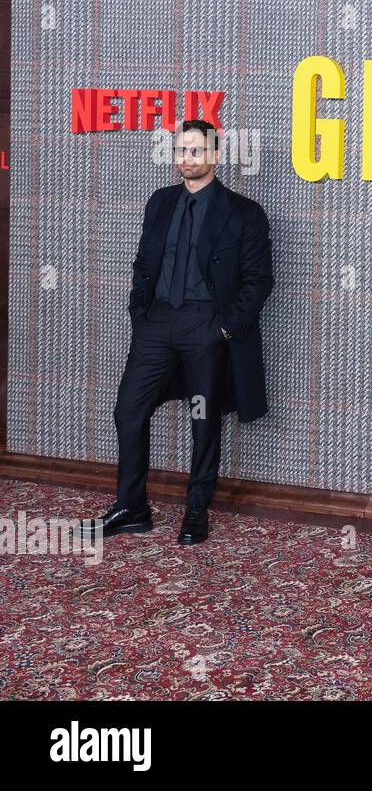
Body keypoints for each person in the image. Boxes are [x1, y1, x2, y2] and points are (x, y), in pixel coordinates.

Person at [79, 119, 274, 546]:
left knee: (202, 419)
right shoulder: (160, 202)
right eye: (181, 151)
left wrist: (222, 330)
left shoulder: (244, 213)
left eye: (196, 151)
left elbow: (259, 281)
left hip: (206, 328)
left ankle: (196, 510)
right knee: (128, 410)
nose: (187, 159)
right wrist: (139, 312)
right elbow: (143, 263)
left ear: (216, 156)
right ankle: (131, 508)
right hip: (157, 325)